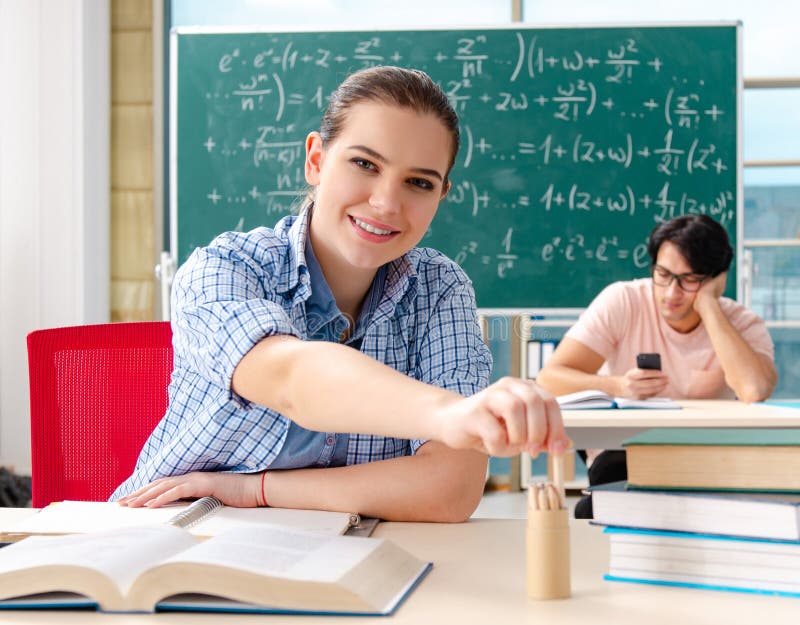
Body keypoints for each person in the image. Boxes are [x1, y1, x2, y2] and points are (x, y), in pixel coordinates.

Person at [111, 66, 568, 522]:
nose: (387, 203)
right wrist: (450, 414)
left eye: (419, 182)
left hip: (345, 557)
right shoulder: (226, 267)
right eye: (365, 164)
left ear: (441, 195)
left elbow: (449, 491)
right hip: (177, 527)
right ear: (316, 160)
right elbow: (293, 380)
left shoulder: (439, 289)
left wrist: (255, 489)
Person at [536, 214, 776, 516]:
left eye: (689, 280)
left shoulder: (743, 324)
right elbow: (550, 378)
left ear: (717, 280)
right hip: (625, 453)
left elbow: (754, 389)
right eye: (663, 274)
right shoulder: (623, 300)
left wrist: (710, 308)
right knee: (608, 493)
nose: (671, 293)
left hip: (704, 458)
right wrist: (616, 386)